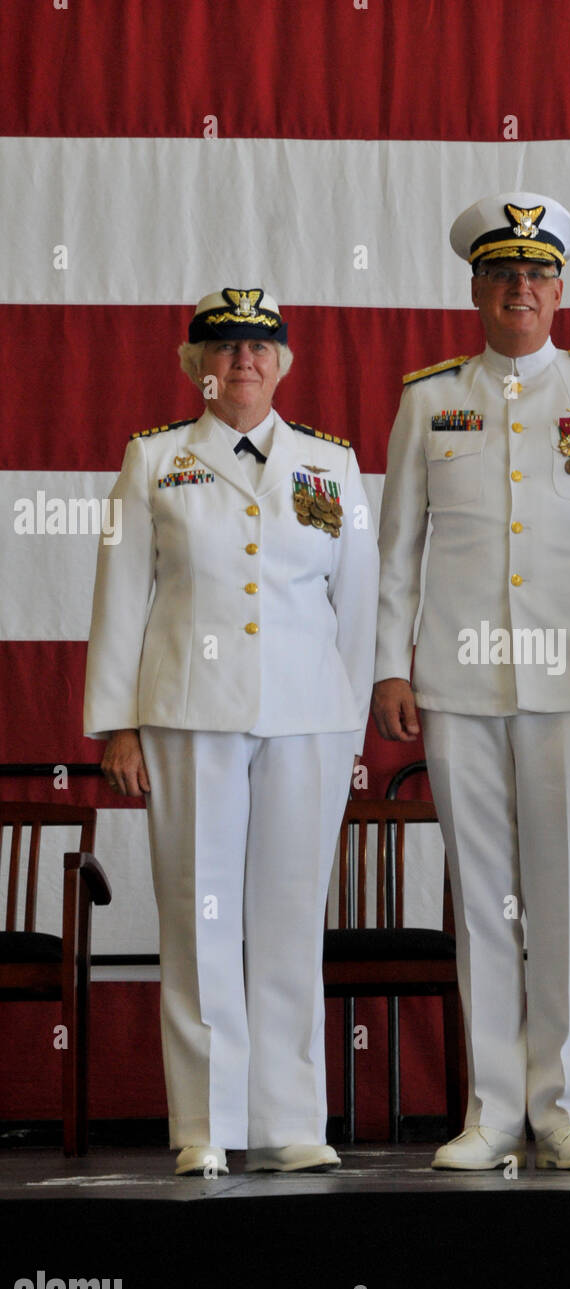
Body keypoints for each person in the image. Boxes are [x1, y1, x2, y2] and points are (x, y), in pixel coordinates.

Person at [373, 193, 570, 1170]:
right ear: (475, 289)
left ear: (560, 290)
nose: (520, 288)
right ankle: (492, 1111)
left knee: (564, 899)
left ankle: (563, 1109)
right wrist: (389, 665)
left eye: (537, 273)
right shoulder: (430, 398)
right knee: (482, 902)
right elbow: (397, 548)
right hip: (458, 683)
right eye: (503, 273)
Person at [83, 287, 378, 1176]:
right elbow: (119, 595)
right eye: (223, 346)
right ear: (195, 366)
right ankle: (204, 1126)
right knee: (199, 916)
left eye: (258, 346)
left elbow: (357, 603)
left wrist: (345, 719)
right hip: (188, 717)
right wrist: (118, 724)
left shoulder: (331, 462)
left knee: (290, 920)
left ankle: (291, 1123)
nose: (242, 360)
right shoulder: (153, 459)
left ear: (282, 363)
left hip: (306, 720)